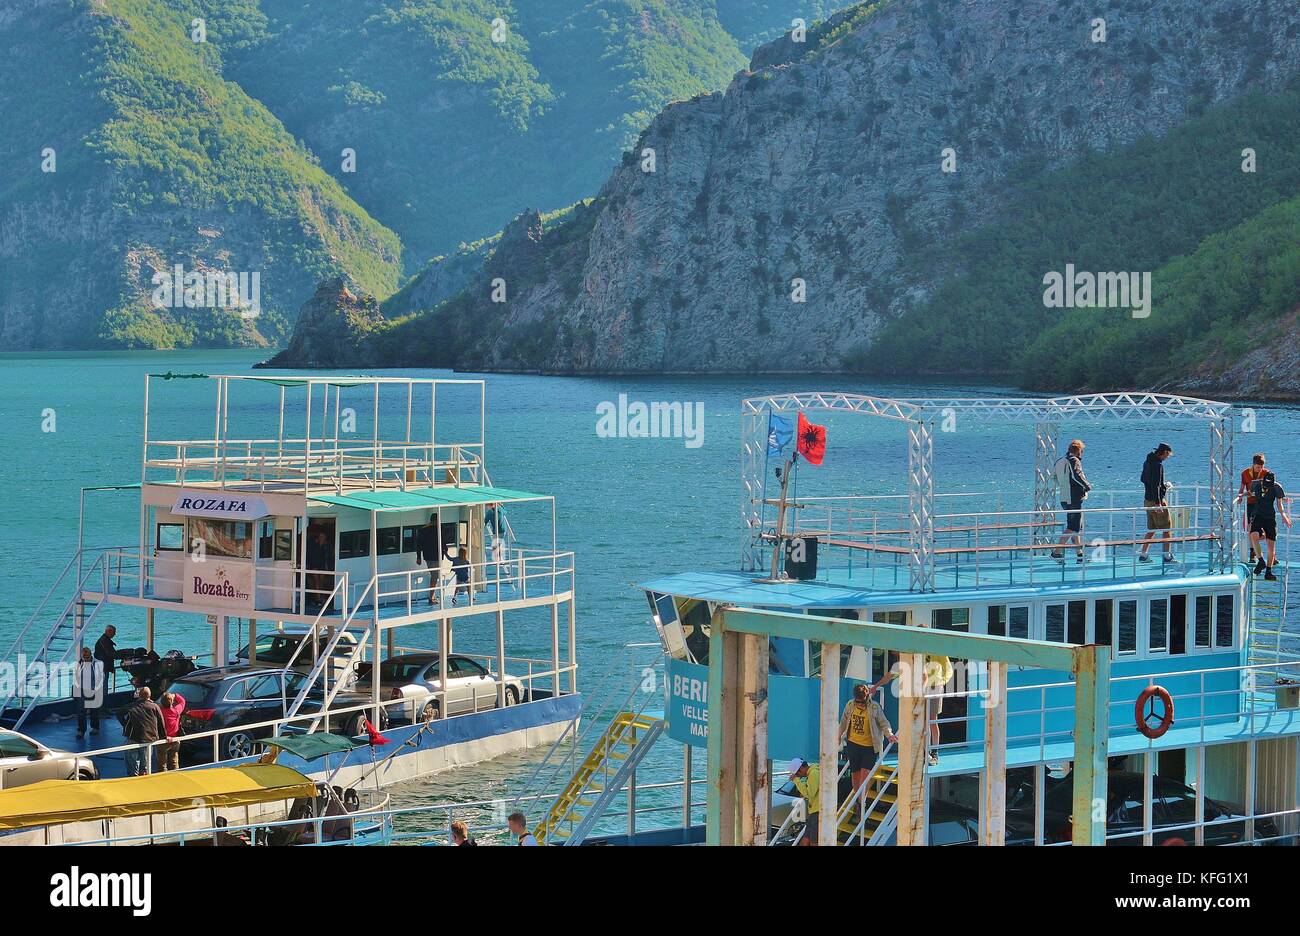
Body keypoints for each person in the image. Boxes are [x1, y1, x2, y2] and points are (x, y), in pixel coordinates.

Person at [839, 683, 897, 799]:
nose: (859, 704)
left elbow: (884, 723)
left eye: (862, 702)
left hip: (869, 747)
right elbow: (843, 722)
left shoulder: (874, 707)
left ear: (866, 697)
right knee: (855, 774)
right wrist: (838, 737)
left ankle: (861, 801)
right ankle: (857, 799)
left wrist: (889, 735)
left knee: (865, 775)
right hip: (853, 744)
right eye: (857, 702)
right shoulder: (850, 705)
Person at [1050, 439, 1092, 562]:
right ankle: (1056, 552)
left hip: (1064, 497)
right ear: (1079, 450)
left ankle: (1080, 555)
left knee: (1076, 526)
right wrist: (1087, 486)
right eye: (1082, 451)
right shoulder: (1074, 460)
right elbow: (1076, 475)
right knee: (1073, 527)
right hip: (1073, 497)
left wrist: (1063, 485)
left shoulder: (1060, 461)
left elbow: (1053, 476)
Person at [1250, 471, 1292, 580]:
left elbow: (1279, 503)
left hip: (1269, 517)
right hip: (1258, 514)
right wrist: (1241, 495)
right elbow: (1250, 492)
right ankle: (1261, 561)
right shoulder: (1256, 484)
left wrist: (1283, 515)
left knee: (1270, 545)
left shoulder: (1277, 487)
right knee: (1253, 535)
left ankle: (1268, 571)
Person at [1139, 443, 1176, 563]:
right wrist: (1158, 502)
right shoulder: (1158, 465)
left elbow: (1144, 480)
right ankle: (1167, 556)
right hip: (1157, 501)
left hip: (1147, 500)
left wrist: (1161, 488)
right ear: (1164, 453)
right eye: (1168, 455)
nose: (1167, 458)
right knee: (1167, 528)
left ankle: (1143, 555)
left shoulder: (1147, 462)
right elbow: (1157, 485)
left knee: (1152, 528)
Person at [121, 686, 166, 776]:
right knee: (145, 764)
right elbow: (161, 723)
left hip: (133, 737)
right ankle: (143, 778)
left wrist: (124, 724)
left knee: (132, 764)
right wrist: (163, 737)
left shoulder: (132, 706)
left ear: (139, 695)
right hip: (149, 739)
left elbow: (119, 712)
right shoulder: (155, 707)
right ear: (150, 695)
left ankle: (133, 779)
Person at [922, 654, 954, 766]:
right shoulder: (919, 647)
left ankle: (935, 751)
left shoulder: (938, 649)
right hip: (921, 687)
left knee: (932, 719)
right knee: (923, 720)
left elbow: (949, 669)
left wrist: (942, 681)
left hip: (935, 687)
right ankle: (925, 751)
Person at [1239, 454, 1268, 562]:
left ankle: (1271, 555)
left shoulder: (1266, 473)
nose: (1259, 469)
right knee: (1250, 528)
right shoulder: (1245, 473)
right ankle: (1252, 552)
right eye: (1257, 467)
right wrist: (1240, 497)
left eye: (1261, 467)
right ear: (1253, 464)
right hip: (1250, 503)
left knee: (1266, 529)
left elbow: (1271, 487)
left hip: (1262, 504)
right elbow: (1242, 488)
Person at [788, 758, 823, 845]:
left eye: (797, 774)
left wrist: (797, 781)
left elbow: (809, 793)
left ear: (801, 768)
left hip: (817, 811)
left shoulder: (814, 773)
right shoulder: (814, 772)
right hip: (814, 811)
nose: (799, 776)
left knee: (814, 840)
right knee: (806, 837)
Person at [73, 646, 104, 739]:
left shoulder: (98, 663)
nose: (85, 658)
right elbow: (76, 678)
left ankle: (95, 728)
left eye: (87, 656)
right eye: (84, 656)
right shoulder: (79, 664)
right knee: (81, 712)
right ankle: (81, 731)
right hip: (82, 691)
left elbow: (102, 677)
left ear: (91, 654)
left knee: (94, 711)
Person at [415, 514, 443, 604]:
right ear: (436, 520)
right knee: (435, 576)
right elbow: (443, 542)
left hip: (428, 556)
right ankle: (431, 597)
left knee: (434, 575)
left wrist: (419, 557)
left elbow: (419, 544)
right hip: (435, 556)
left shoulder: (423, 530)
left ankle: (432, 596)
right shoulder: (439, 529)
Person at [157, 690, 186, 771]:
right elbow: (182, 701)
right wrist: (175, 695)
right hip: (175, 739)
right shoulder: (176, 711)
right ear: (172, 702)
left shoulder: (159, 712)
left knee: (162, 762)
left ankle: (162, 776)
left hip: (162, 740)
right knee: (174, 759)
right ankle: (175, 775)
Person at [93, 624, 121, 693]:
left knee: (103, 686)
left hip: (102, 667)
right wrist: (122, 655)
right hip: (102, 668)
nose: (115, 634)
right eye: (114, 632)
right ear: (109, 631)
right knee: (103, 687)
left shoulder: (104, 640)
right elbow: (111, 654)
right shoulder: (104, 641)